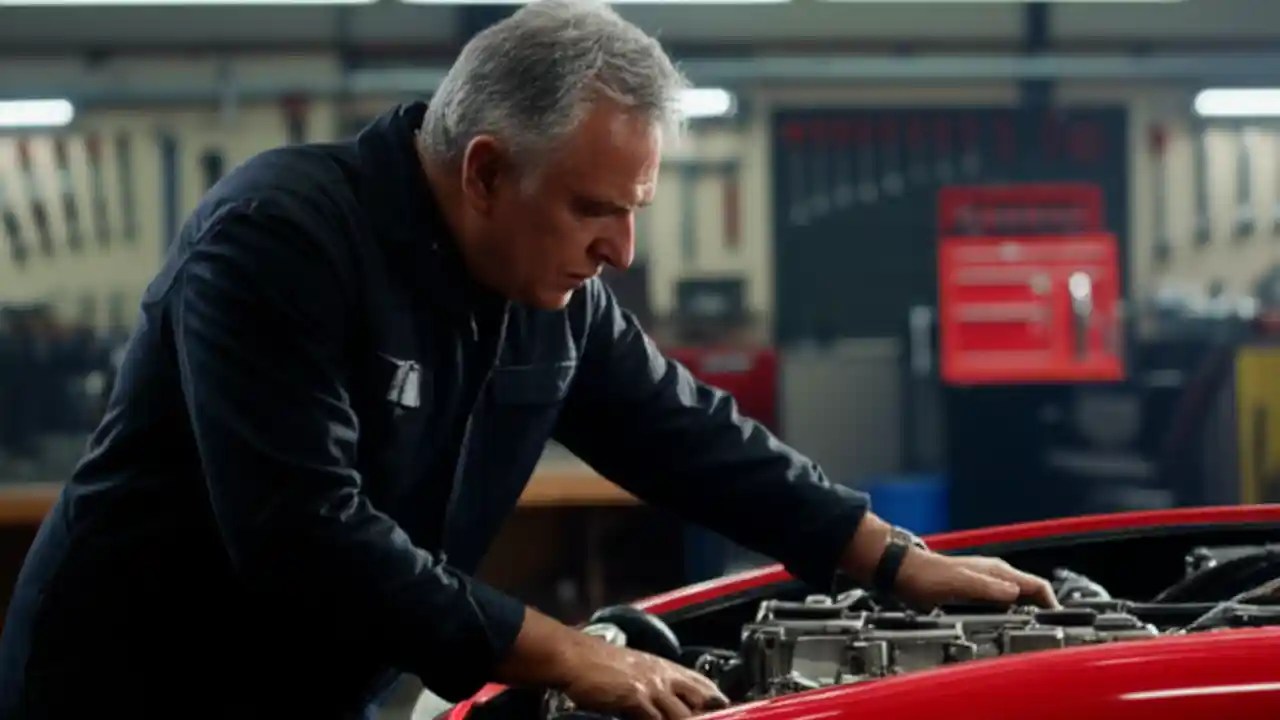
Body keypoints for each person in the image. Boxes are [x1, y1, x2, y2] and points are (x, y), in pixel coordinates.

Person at [0, 1, 1057, 718]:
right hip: (134, 681)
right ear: (485, 173)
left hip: (322, 682)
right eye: (595, 210)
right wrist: (564, 652)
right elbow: (300, 531)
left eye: (633, 211)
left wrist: (887, 558)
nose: (620, 251)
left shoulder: (549, 292)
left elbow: (683, 432)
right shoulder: (280, 242)